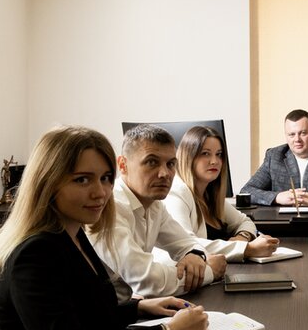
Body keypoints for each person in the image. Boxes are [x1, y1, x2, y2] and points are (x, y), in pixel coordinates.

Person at [0, 126, 209, 330]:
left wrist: (138, 308)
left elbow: (84, 312)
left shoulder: (73, 233)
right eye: (82, 180)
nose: (101, 192)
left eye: (106, 178)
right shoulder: (35, 253)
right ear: (48, 182)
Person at [90, 124, 227, 302]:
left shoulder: (155, 205)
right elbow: (145, 280)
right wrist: (210, 271)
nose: (165, 174)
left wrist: (194, 256)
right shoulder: (108, 207)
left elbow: (186, 243)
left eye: (171, 164)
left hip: (130, 307)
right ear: (123, 165)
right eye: (151, 162)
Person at [160, 125, 280, 262]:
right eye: (205, 153)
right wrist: (247, 249)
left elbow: (245, 221)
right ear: (188, 157)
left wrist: (242, 237)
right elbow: (186, 245)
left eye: (219, 154)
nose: (214, 161)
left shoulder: (209, 194)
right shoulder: (176, 193)